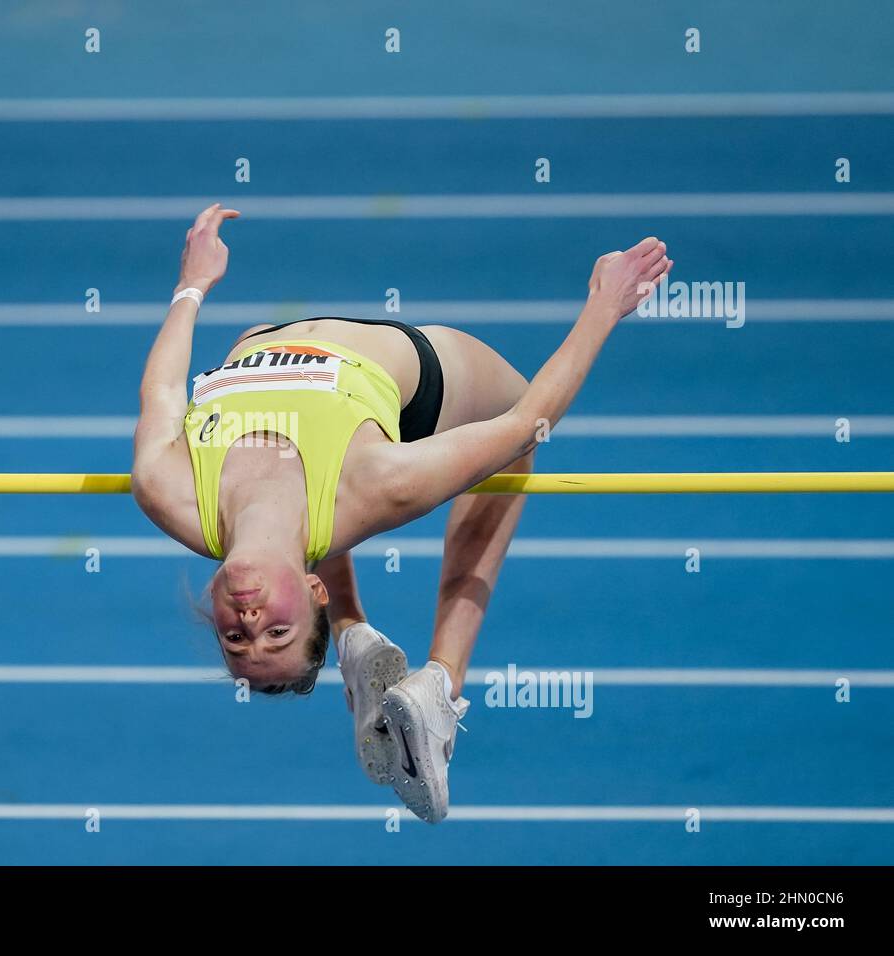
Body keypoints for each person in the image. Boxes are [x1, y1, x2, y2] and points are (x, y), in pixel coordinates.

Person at [131, 203, 671, 822]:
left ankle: (355, 636)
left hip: (258, 343)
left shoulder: (167, 492)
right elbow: (525, 424)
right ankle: (443, 683)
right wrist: (604, 305)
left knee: (289, 520)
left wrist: (192, 285)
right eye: (275, 631)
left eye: (235, 636)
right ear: (313, 591)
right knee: (512, 446)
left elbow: (164, 392)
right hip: (414, 373)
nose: (251, 619)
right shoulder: (377, 485)